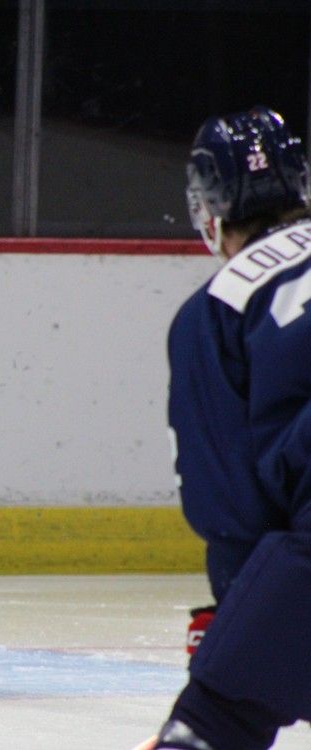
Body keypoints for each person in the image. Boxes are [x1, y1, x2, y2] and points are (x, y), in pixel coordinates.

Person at [146, 106, 311, 748]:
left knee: (211, 726)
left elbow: (230, 507)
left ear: (208, 208)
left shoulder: (217, 307)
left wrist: (240, 628)